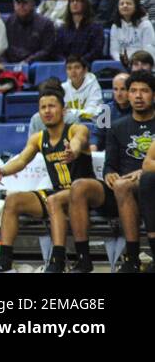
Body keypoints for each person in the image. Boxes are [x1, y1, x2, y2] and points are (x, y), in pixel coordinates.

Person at [0, 83, 91, 273]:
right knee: (13, 200)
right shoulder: (38, 138)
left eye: (52, 106)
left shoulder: (77, 129)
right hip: (58, 194)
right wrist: (3, 170)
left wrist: (73, 151)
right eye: (43, 107)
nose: (47, 111)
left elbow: (78, 142)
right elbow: (22, 160)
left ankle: (58, 260)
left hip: (85, 192)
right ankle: (4, 259)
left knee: (55, 198)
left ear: (63, 109)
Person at [65, 69, 154, 272]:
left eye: (144, 91)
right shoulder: (116, 126)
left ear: (154, 95)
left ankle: (132, 258)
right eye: (133, 91)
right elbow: (110, 164)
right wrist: (108, 174)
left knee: (123, 185)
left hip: (149, 188)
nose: (138, 96)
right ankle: (83, 259)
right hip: (121, 190)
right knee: (79, 186)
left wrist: (144, 173)